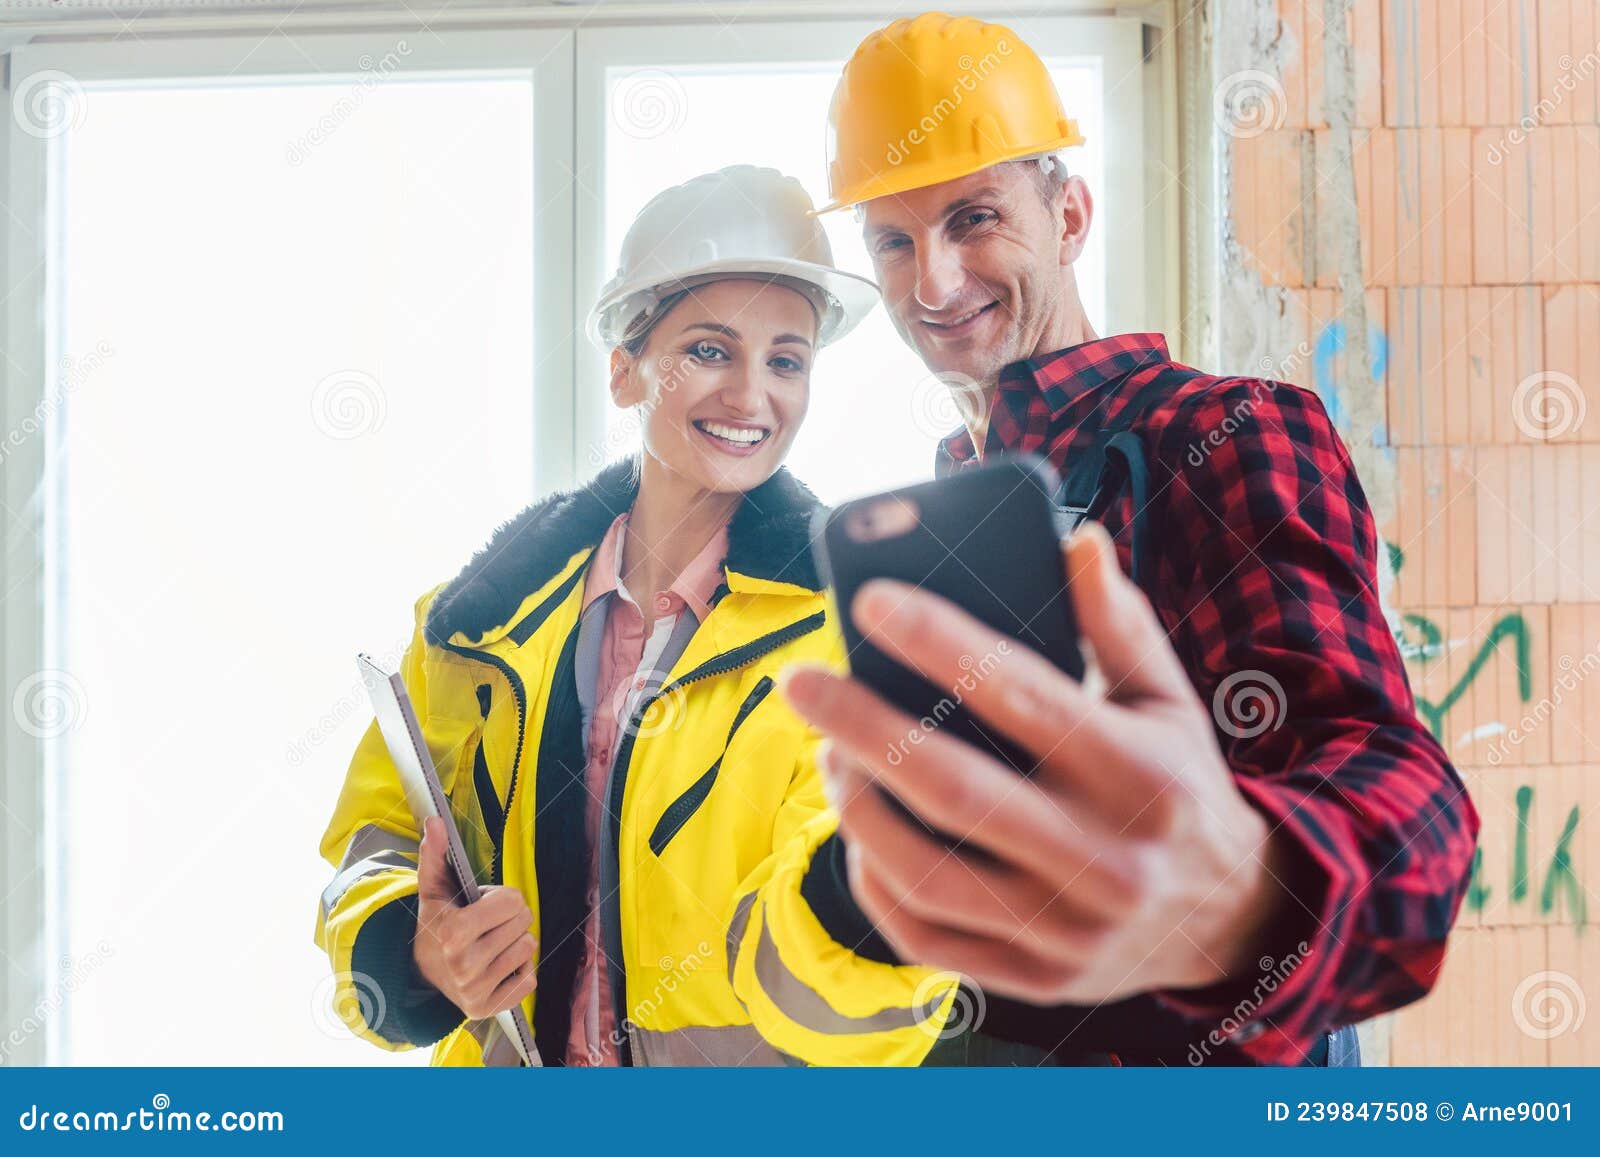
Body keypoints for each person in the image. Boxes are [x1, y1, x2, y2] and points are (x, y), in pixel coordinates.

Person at [732, 13, 1480, 1066]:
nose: (933, 283)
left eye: (974, 217)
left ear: (1071, 213)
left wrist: (1236, 901)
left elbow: (1392, 786)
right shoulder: (943, 518)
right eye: (893, 242)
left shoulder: (1220, 433)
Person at [313, 166, 962, 1066]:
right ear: (625, 371)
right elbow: (371, 844)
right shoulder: (476, 628)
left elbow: (870, 997)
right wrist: (421, 954)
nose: (750, 396)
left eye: (785, 360)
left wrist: (876, 898)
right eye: (707, 350)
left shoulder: (854, 640)